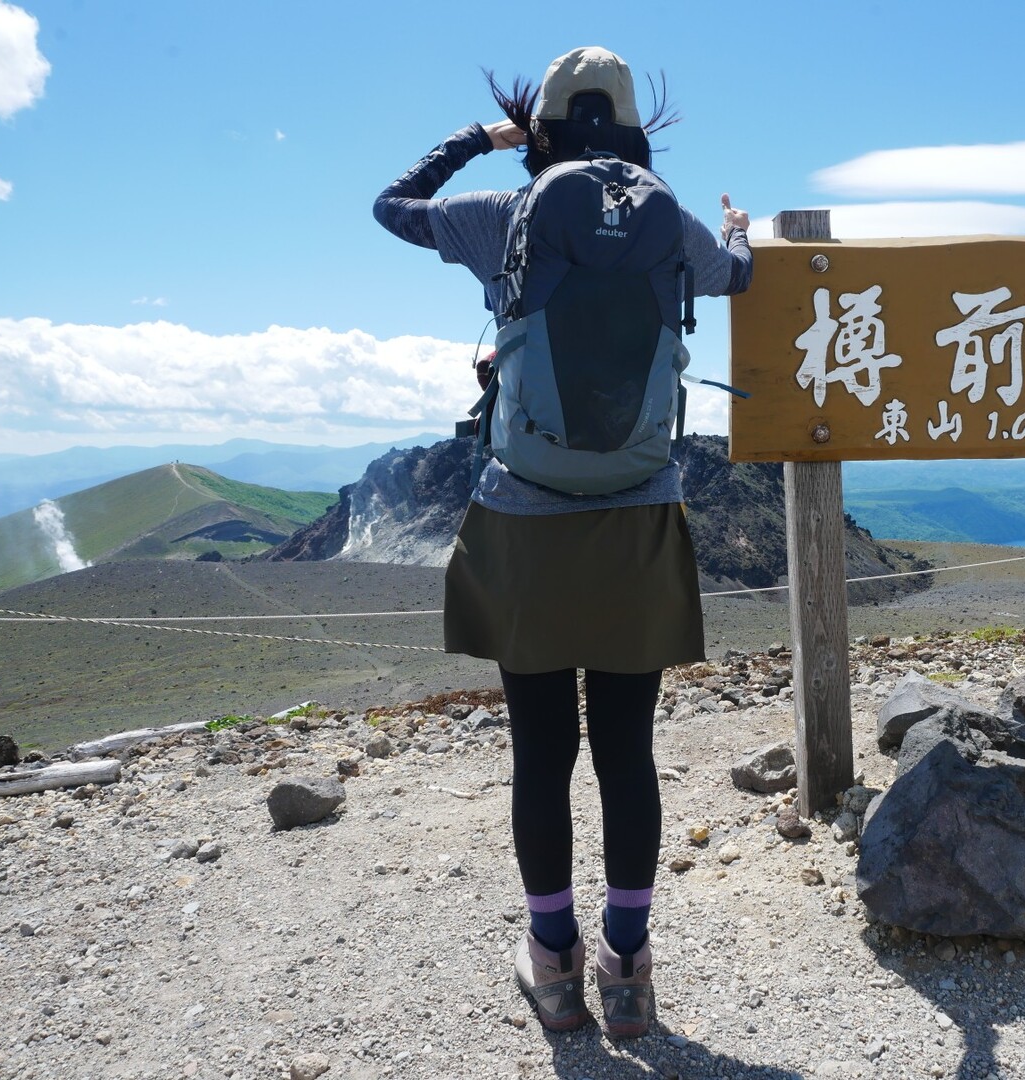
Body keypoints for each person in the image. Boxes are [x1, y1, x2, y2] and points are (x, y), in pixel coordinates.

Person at [372, 46, 752, 1037]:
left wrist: (475, 142)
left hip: (525, 521)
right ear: (631, 127)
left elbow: (392, 206)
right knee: (628, 753)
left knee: (541, 754)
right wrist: (744, 229)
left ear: (539, 124)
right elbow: (741, 275)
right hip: (638, 517)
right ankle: (629, 970)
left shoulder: (505, 215)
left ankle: (553, 962)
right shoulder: (673, 224)